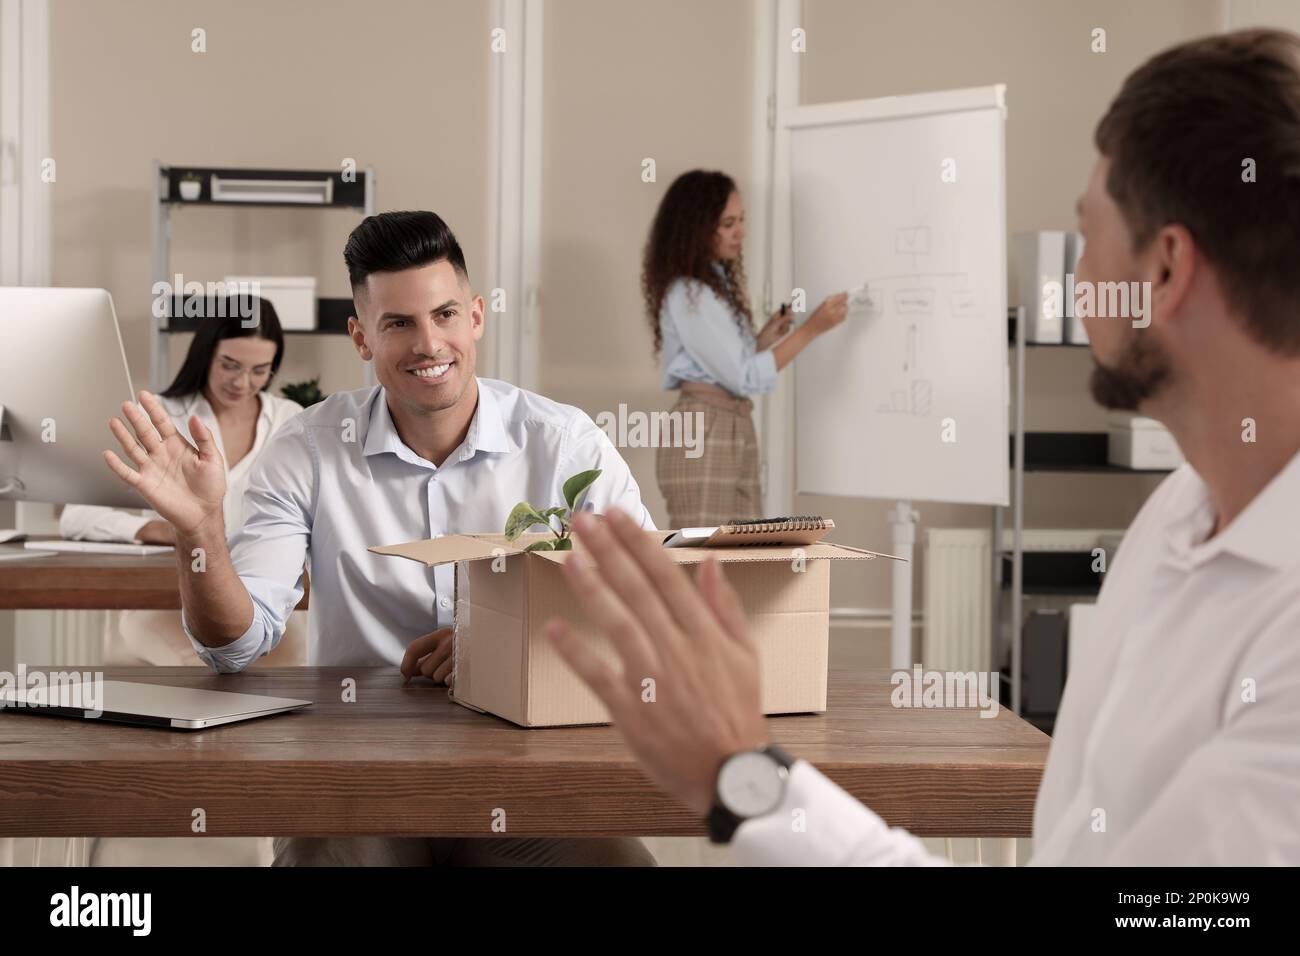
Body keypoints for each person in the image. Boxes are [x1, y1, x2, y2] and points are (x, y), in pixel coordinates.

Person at [546, 29, 1300, 866]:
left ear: (1164, 270)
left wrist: (743, 777)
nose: (1076, 278)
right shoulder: (1173, 519)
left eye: (1086, 236)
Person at [99, 210, 657, 867]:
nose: (429, 344)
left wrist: (504, 645)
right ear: (361, 337)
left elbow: (650, 603)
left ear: (476, 316)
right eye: (399, 323)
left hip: (523, 766)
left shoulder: (565, 445)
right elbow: (236, 648)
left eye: (445, 315)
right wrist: (199, 532)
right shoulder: (306, 448)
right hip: (356, 773)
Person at [62, 298, 305, 669]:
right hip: (164, 601)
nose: (243, 383)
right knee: (206, 667)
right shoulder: (161, 417)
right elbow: (74, 517)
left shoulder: (291, 419)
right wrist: (158, 529)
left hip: (261, 603)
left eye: (260, 371)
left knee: (292, 667)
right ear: (205, 354)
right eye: (230, 365)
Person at [642, 170, 848, 527]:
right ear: (698, 228)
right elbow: (742, 377)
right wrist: (813, 328)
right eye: (728, 223)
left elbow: (725, 365)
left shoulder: (711, 287)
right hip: (705, 429)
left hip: (729, 423)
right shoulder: (688, 295)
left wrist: (762, 340)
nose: (741, 232)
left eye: (741, 221)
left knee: (743, 553)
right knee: (703, 559)